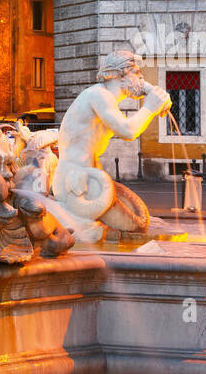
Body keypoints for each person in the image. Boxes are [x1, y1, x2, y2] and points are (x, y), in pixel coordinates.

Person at [51, 50, 171, 239]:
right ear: (122, 75)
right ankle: (71, 216)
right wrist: (150, 107)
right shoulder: (99, 95)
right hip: (76, 181)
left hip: (89, 176)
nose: (142, 78)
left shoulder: (104, 98)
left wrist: (152, 105)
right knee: (136, 224)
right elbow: (128, 131)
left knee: (140, 218)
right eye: (137, 73)